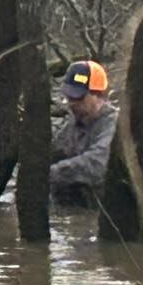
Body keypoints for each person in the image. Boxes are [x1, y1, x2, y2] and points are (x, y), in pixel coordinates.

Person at [50, 59, 118, 207]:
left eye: (78, 97)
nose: (71, 103)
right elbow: (53, 150)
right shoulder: (73, 123)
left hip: (104, 208)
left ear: (97, 95)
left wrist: (51, 173)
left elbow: (97, 165)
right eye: (69, 96)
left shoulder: (113, 126)